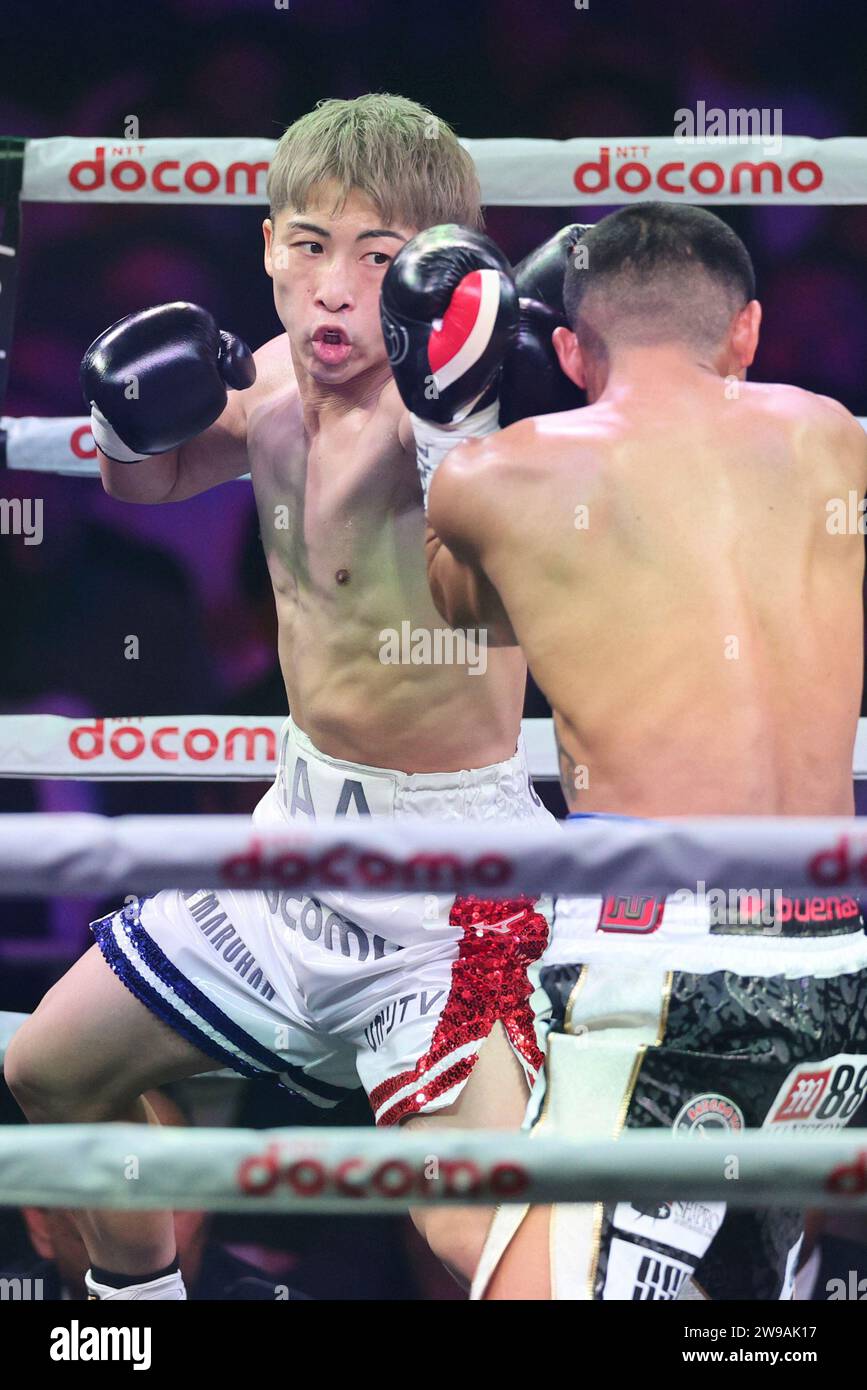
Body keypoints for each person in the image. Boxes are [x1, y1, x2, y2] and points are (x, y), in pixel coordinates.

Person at [4, 93, 583, 1299]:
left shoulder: (466, 419)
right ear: (266, 244)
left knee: (470, 1237)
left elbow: (534, 539)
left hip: (445, 884)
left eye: (377, 260)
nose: (333, 288)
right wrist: (125, 415)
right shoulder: (272, 384)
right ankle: (141, 1318)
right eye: (310, 245)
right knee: (55, 1069)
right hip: (295, 847)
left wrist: (467, 417)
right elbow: (150, 479)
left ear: (439, 278)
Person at [388, 200, 867, 1299]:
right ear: (745, 332)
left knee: (469, 1224)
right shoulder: (836, 437)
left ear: (565, 351)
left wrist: (448, 420)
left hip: (658, 968)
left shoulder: (501, 475)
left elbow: (467, 618)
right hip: (837, 965)